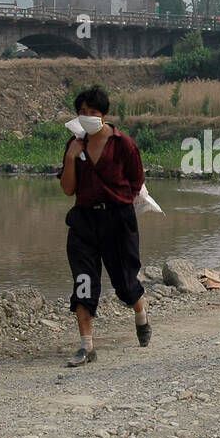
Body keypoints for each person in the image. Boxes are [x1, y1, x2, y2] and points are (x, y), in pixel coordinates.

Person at [59, 86, 150, 366]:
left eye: (92, 113)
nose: (86, 117)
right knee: (83, 281)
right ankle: (87, 346)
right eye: (82, 112)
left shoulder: (124, 144)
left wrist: (118, 205)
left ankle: (140, 310)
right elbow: (67, 189)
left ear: (104, 115)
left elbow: (136, 183)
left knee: (124, 284)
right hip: (84, 222)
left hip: (117, 222)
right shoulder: (75, 144)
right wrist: (72, 157)